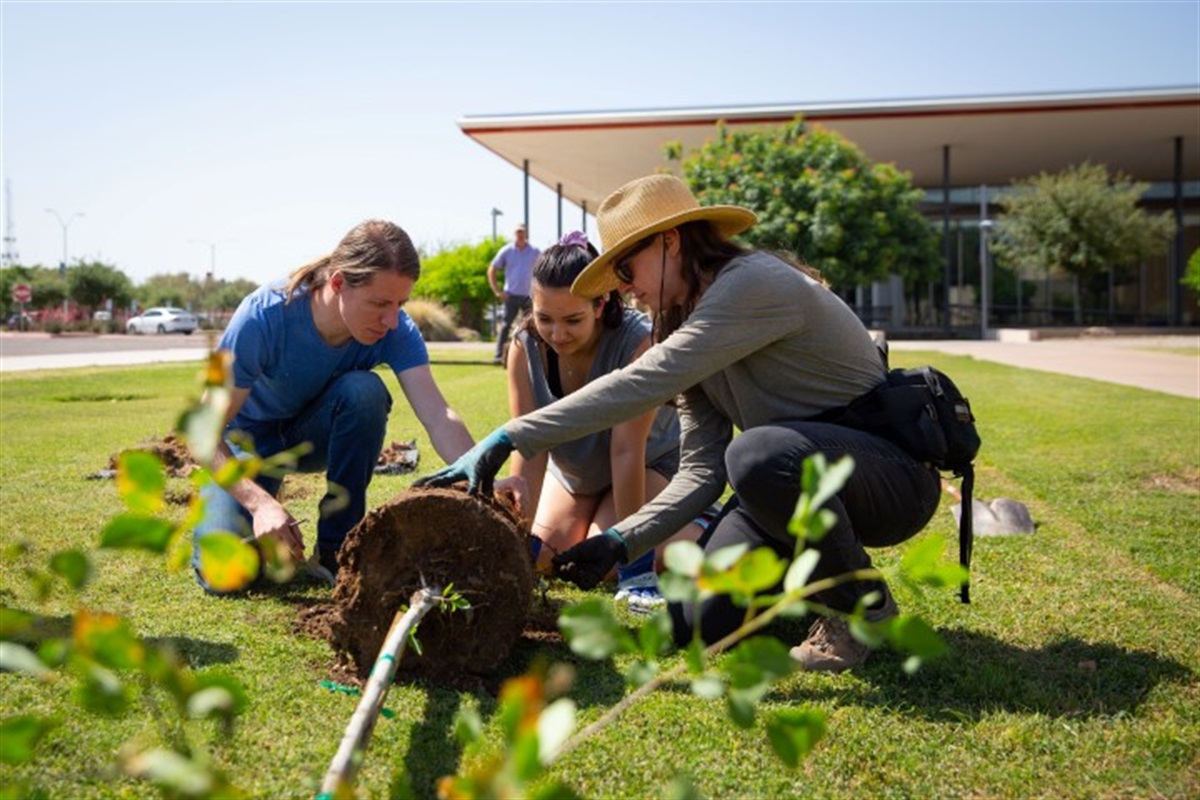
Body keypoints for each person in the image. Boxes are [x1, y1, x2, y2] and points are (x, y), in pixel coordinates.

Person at [416, 175, 941, 672]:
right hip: (792, 480)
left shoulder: (751, 282)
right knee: (696, 625)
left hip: (889, 480)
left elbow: (642, 382)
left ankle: (863, 612)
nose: (623, 289)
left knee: (756, 454)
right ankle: (805, 582)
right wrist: (621, 541)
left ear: (670, 243)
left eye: (627, 269)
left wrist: (511, 434)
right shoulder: (682, 317)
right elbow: (702, 469)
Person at [190, 219, 484, 594]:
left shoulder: (394, 328)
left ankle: (337, 549)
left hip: (309, 437)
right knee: (226, 578)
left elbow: (437, 415)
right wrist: (258, 502)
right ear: (339, 282)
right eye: (379, 303)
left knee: (364, 391)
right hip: (242, 446)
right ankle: (253, 501)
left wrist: (480, 471)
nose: (391, 319)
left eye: (401, 303)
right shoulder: (263, 316)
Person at [507, 230, 708, 609]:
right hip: (579, 472)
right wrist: (518, 535)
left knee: (604, 563)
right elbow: (528, 445)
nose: (557, 333)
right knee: (553, 558)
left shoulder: (639, 344)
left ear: (601, 305)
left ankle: (705, 527)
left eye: (572, 319)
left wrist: (636, 564)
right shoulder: (524, 346)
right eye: (544, 317)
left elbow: (626, 449)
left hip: (647, 462)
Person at [488, 223, 540, 365]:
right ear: (514, 234)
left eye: (522, 232)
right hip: (510, 295)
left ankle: (532, 356)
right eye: (517, 232)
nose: (520, 235)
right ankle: (498, 356)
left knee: (532, 327)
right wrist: (497, 291)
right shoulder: (507, 251)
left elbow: (542, 271)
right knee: (505, 326)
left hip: (528, 296)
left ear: (526, 233)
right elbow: (492, 269)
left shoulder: (534, 251)